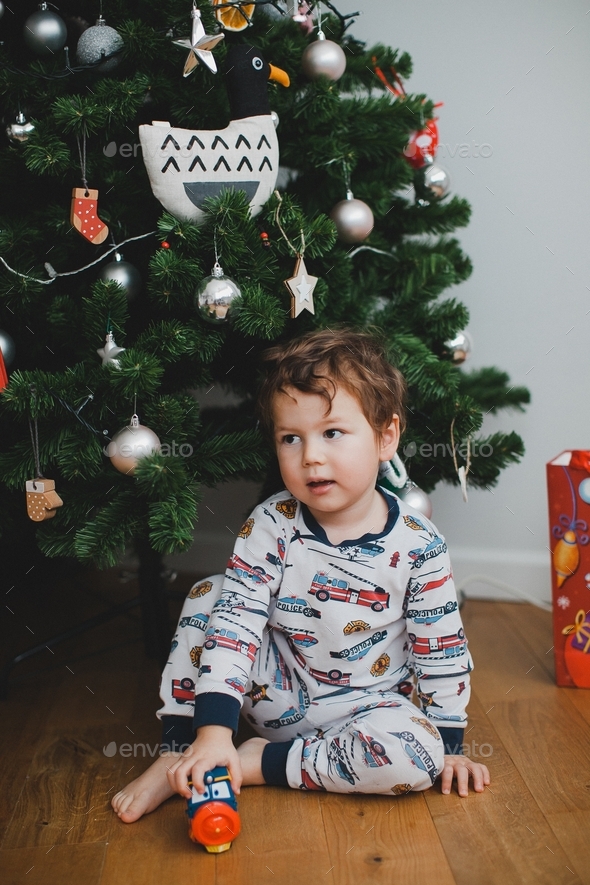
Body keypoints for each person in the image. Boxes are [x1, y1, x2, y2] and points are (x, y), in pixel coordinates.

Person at [112, 328, 490, 822]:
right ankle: (181, 752)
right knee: (214, 596)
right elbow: (236, 627)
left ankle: (262, 764)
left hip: (370, 712)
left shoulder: (419, 545)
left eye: (332, 433)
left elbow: (440, 648)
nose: (310, 455)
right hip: (275, 695)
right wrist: (213, 732)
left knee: (419, 757)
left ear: (385, 436)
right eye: (292, 438)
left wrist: (451, 743)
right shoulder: (270, 524)